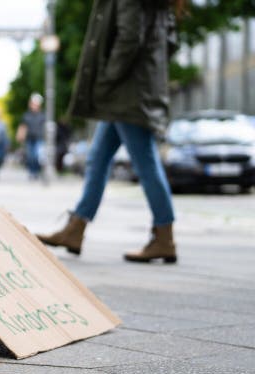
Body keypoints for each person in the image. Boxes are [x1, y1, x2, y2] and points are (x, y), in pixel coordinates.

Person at [37, 0, 180, 263]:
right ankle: (75, 229)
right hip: (134, 91)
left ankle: (164, 237)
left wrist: (108, 78)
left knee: (145, 161)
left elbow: (129, 37)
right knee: (97, 158)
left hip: (127, 94)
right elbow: (170, 41)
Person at [16, 93, 46, 180]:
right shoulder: (26, 115)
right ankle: (31, 172)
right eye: (32, 103)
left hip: (39, 139)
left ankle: (36, 172)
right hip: (29, 139)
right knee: (30, 157)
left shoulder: (42, 115)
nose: (34, 106)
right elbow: (22, 126)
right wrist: (20, 136)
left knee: (37, 156)